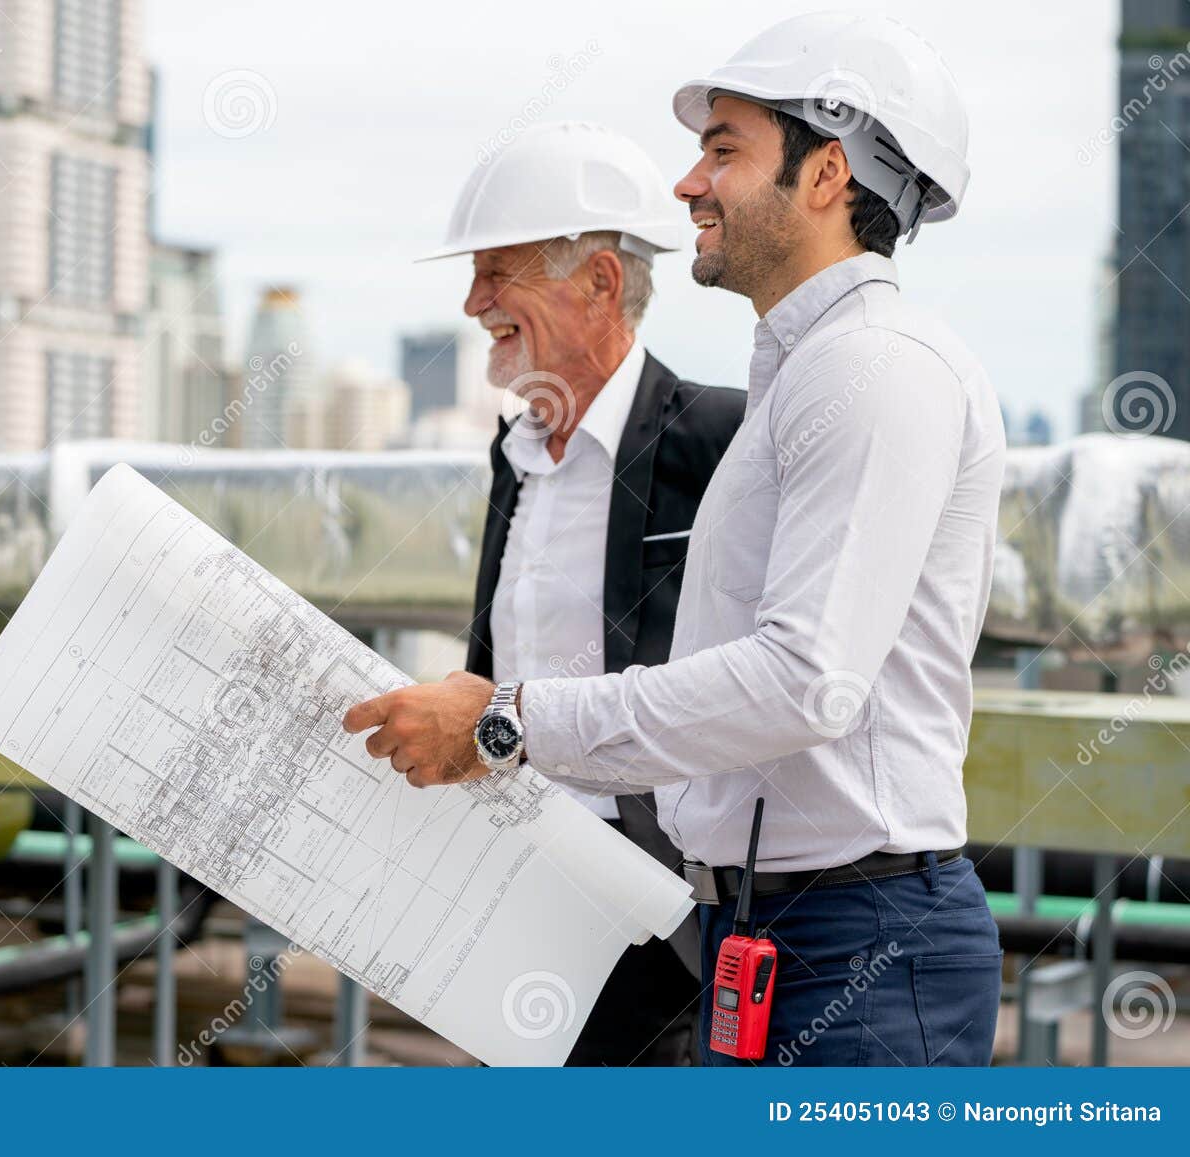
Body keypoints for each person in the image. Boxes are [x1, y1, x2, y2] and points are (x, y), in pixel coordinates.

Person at [344, 12, 1007, 1067]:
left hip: (860, 938)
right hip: (776, 929)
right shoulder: (805, 375)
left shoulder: (873, 368)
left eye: (723, 149)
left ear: (827, 171)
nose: (688, 185)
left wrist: (507, 723)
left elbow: (804, 682)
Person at [420, 121, 744, 1064]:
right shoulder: (515, 456)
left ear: (599, 281)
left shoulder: (718, 440)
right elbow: (499, 669)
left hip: (660, 912)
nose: (475, 301)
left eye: (497, 273)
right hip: (517, 882)